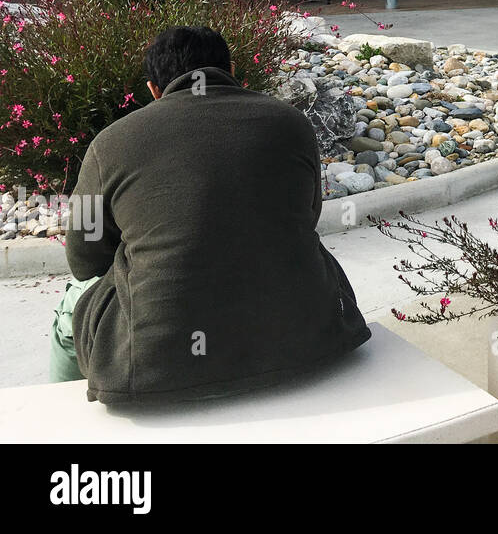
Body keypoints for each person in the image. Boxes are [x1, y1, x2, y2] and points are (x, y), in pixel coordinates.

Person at [52, 26, 371, 403]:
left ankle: (65, 416)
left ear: (154, 89)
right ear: (232, 69)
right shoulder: (291, 123)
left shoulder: (108, 144)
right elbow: (307, 214)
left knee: (71, 301)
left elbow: (82, 259)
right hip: (315, 342)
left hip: (150, 371)